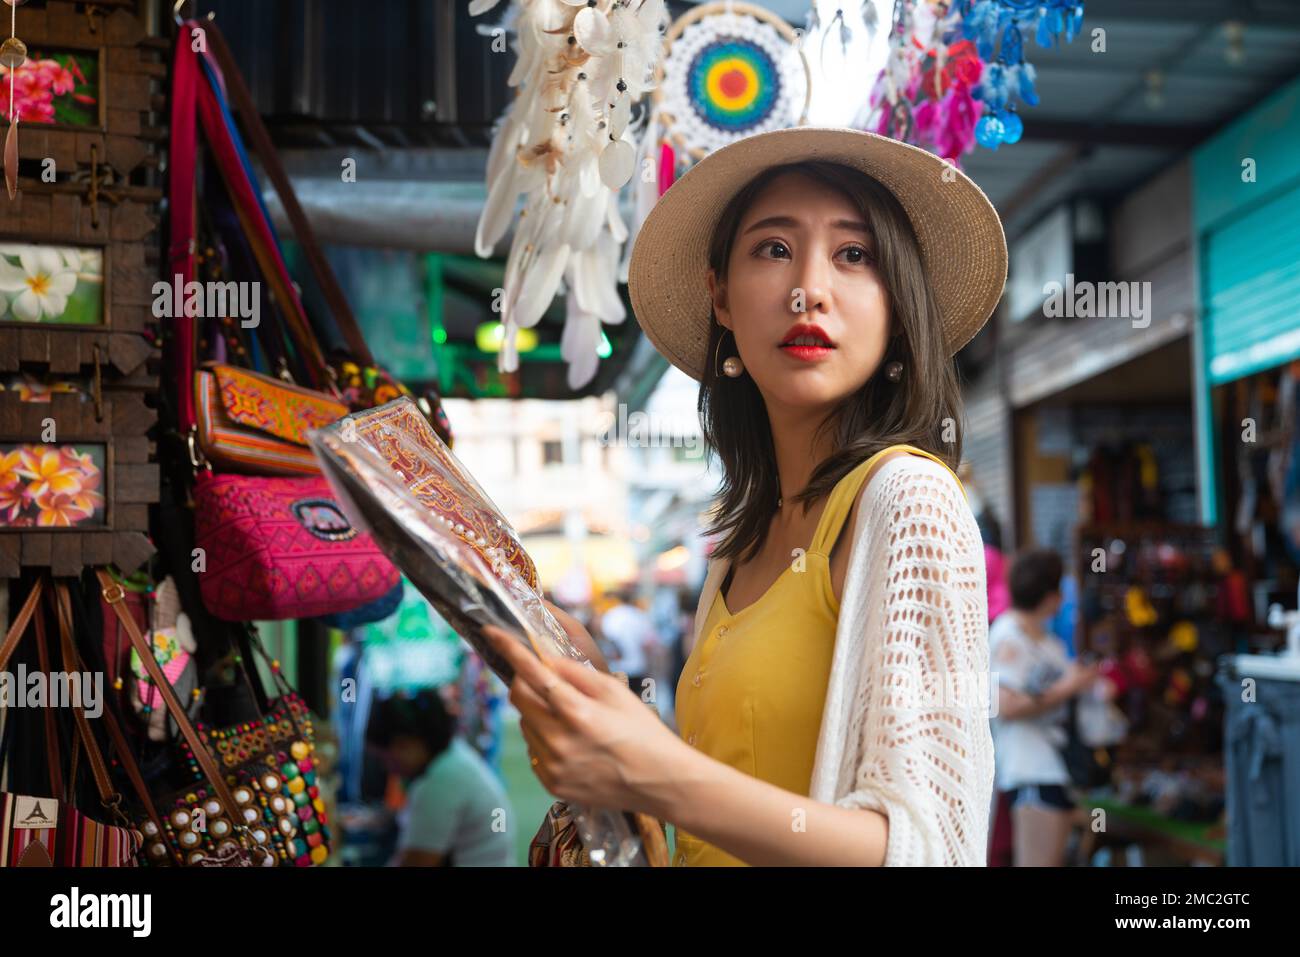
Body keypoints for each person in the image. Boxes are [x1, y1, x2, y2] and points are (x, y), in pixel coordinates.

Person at [482, 127, 1005, 865]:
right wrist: (596, 688)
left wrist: (653, 771)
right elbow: (738, 785)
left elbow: (933, 848)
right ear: (719, 295)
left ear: (897, 303)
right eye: (773, 248)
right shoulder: (741, 543)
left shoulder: (908, 500)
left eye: (854, 255)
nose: (808, 289)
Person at [989, 548, 1099, 867]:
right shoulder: (1007, 636)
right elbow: (1005, 705)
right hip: (1029, 768)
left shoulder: (1048, 642)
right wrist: (1068, 687)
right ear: (1050, 596)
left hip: (1054, 764)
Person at [366, 689, 514, 867]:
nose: (387, 767)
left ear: (404, 743)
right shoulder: (452, 760)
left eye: (385, 758)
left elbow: (417, 862)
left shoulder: (440, 781)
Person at [598, 587, 659, 701]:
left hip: (618, 668)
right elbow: (649, 643)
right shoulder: (640, 616)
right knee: (638, 701)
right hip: (639, 667)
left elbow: (609, 640)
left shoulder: (611, 615)